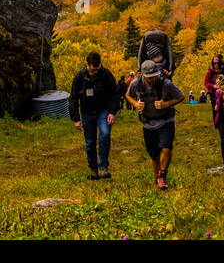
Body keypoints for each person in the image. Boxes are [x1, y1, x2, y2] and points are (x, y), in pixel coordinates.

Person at [124, 59, 184, 190]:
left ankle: (163, 175)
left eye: (154, 76)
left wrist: (166, 104)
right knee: (154, 155)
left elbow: (181, 96)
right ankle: (157, 179)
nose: (152, 79)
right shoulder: (136, 83)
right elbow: (128, 96)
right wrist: (136, 104)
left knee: (166, 149)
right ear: (142, 75)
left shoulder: (166, 84)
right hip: (147, 122)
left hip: (166, 120)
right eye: (149, 77)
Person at [69, 52, 119, 180]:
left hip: (103, 111)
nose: (95, 72)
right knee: (90, 142)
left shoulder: (106, 75)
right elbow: (73, 98)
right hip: (87, 113)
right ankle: (93, 169)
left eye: (97, 69)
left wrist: (112, 112)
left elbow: (114, 94)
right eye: (93, 70)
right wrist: (76, 118)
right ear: (87, 65)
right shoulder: (80, 77)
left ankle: (103, 167)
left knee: (105, 134)